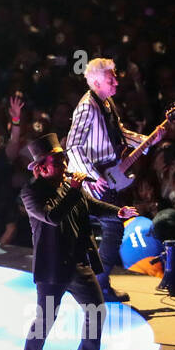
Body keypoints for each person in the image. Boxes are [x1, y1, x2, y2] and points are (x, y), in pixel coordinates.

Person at [17, 134, 137, 350]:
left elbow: (90, 205)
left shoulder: (68, 185)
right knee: (44, 322)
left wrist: (117, 212)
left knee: (97, 312)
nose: (65, 165)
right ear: (41, 167)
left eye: (64, 159)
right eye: (58, 161)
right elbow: (52, 216)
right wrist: (72, 190)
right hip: (52, 269)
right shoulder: (31, 193)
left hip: (79, 263)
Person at [65, 57, 150, 303]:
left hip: (105, 175)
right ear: (95, 81)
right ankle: (97, 285)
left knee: (102, 229)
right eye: (111, 76)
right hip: (93, 179)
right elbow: (72, 145)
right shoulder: (87, 107)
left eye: (115, 74)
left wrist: (146, 141)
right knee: (112, 225)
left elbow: (120, 133)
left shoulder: (106, 102)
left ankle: (93, 283)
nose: (116, 80)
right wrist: (91, 175)